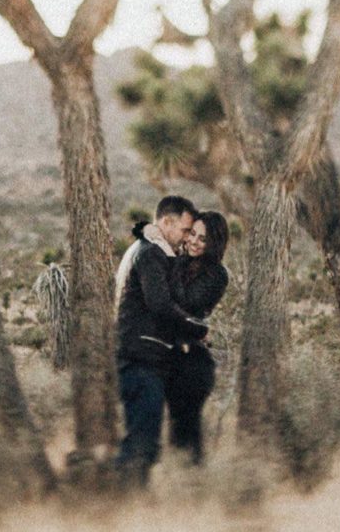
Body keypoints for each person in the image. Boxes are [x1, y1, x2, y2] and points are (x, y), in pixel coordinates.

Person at [113, 195, 204, 485]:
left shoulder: (150, 251)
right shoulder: (150, 253)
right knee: (142, 443)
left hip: (144, 356)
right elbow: (160, 305)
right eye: (185, 230)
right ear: (166, 222)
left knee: (145, 440)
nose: (187, 237)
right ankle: (118, 509)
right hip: (141, 358)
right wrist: (196, 328)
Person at [164, 210, 230, 464]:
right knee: (177, 430)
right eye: (192, 233)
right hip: (174, 357)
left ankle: (194, 486)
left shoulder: (216, 274)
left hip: (194, 363)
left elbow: (188, 302)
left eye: (202, 239)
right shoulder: (182, 264)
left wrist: (175, 263)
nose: (193, 241)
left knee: (187, 431)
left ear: (213, 243)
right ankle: (183, 486)